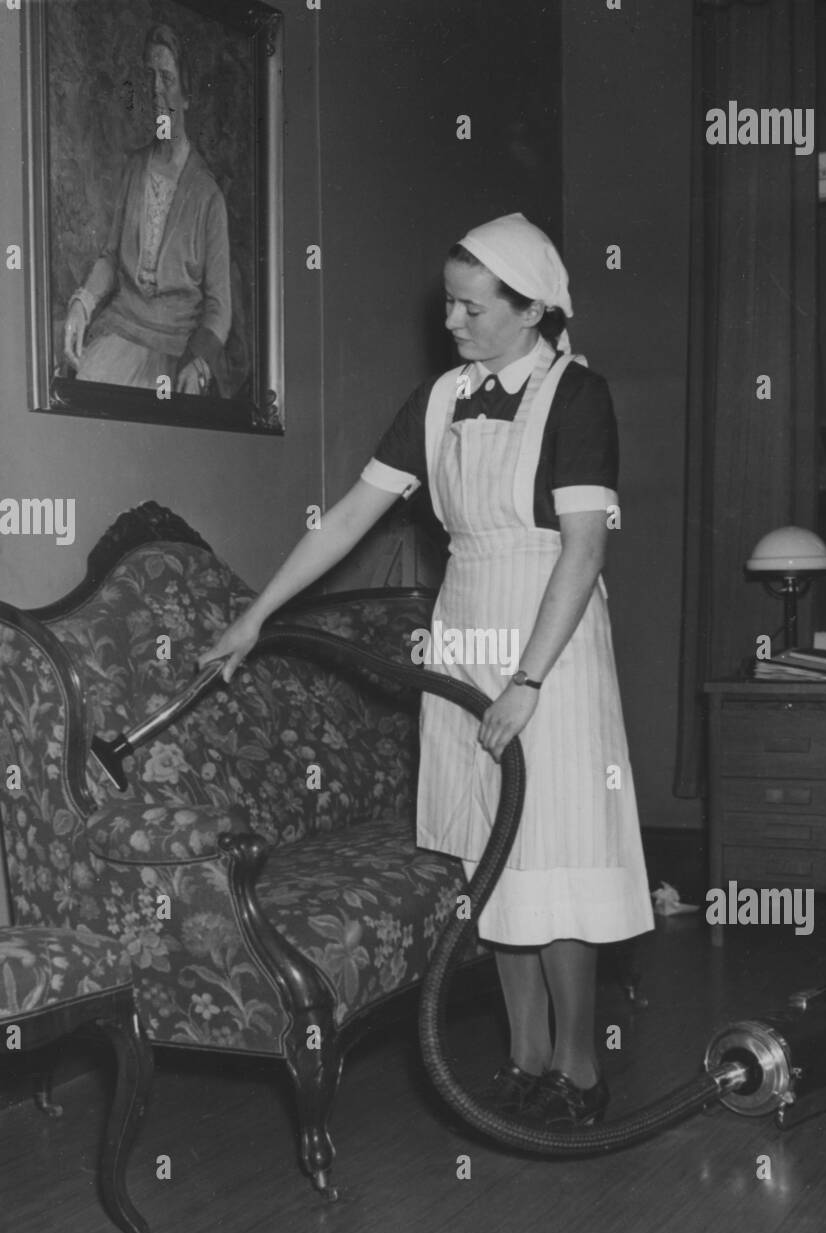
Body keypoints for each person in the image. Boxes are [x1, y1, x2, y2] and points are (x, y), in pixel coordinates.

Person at [201, 213, 654, 1130]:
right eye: (448, 301)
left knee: (554, 853)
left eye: (470, 305)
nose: (450, 320)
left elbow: (581, 552)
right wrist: (255, 616)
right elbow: (345, 520)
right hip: (464, 626)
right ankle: (524, 1058)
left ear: (530, 313)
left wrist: (527, 682)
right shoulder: (440, 398)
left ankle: (578, 1067)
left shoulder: (577, 396)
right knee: (489, 857)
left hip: (548, 638)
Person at [62, 23, 232, 396]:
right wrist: (82, 304)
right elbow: (110, 259)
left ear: (186, 95)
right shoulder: (134, 169)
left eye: (167, 78)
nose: (156, 90)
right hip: (124, 328)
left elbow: (220, 307)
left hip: (177, 346)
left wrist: (200, 362)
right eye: (149, 76)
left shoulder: (208, 197)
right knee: (88, 386)